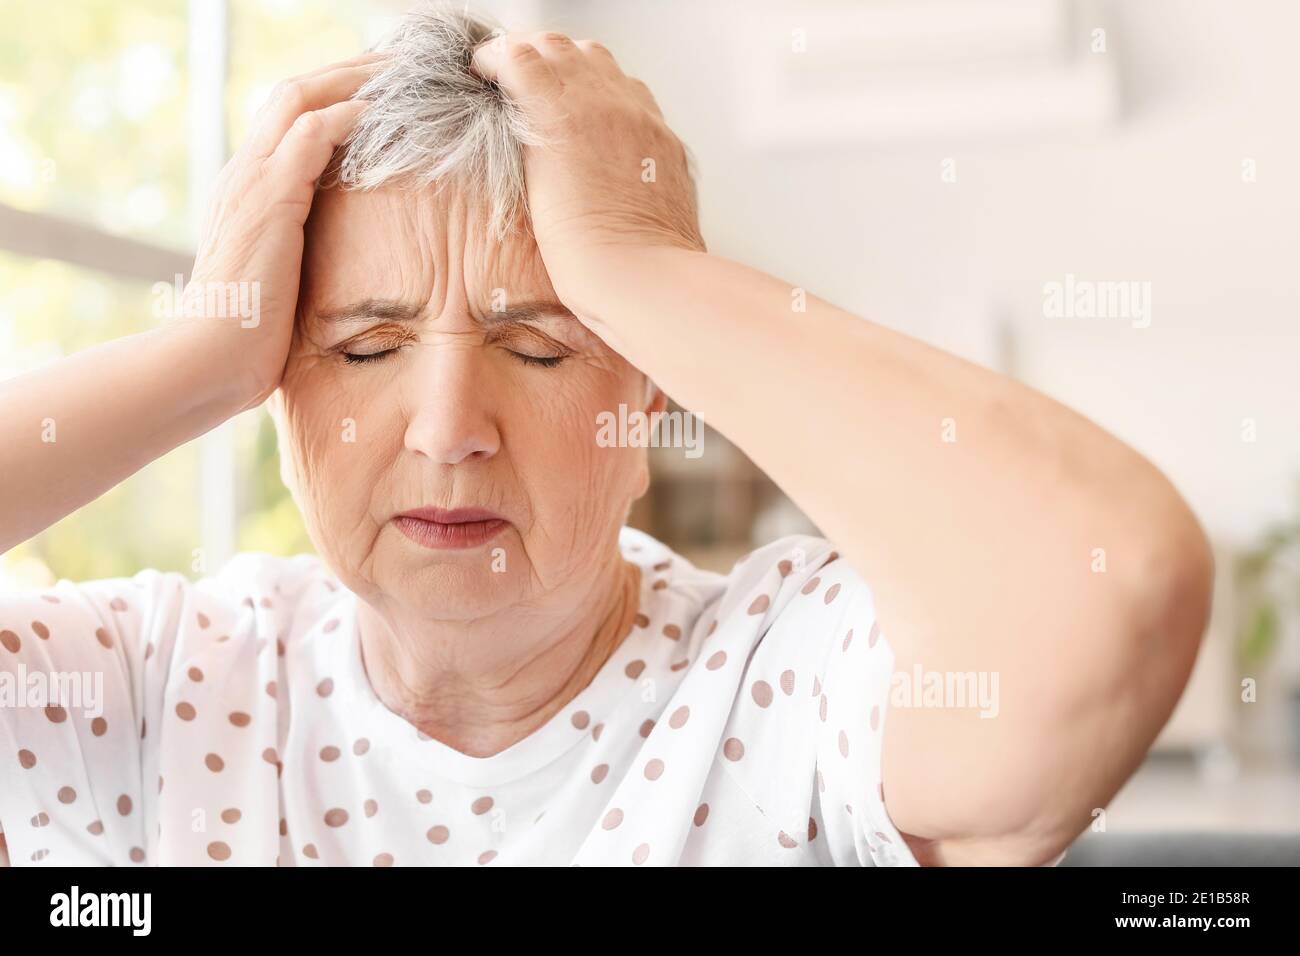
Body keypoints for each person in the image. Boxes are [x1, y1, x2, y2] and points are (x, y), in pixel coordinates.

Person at [0, 6, 1212, 867]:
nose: (448, 429)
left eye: (540, 347)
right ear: (277, 396)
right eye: (363, 348)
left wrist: (642, 269)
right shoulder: (153, 687)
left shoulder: (775, 688)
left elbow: (1116, 588)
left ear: (646, 401)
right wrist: (190, 359)